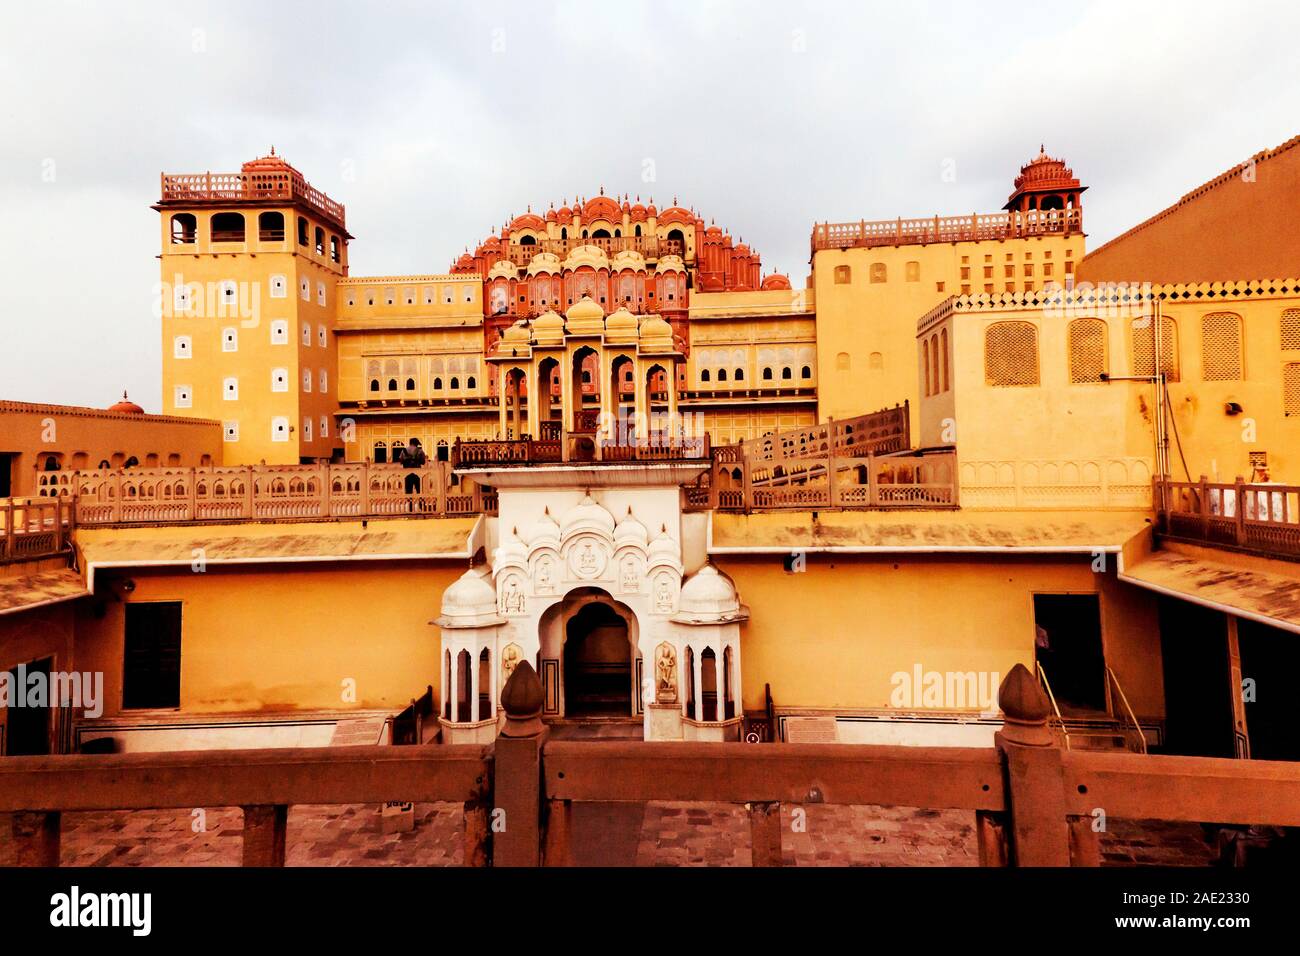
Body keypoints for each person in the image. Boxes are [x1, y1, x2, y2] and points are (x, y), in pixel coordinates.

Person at [401, 439, 425, 510]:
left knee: (409, 490)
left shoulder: (404, 450)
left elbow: (401, 461)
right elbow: (423, 462)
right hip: (417, 474)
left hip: (407, 474)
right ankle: (421, 506)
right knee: (419, 490)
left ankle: (410, 507)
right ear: (416, 443)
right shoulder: (419, 451)